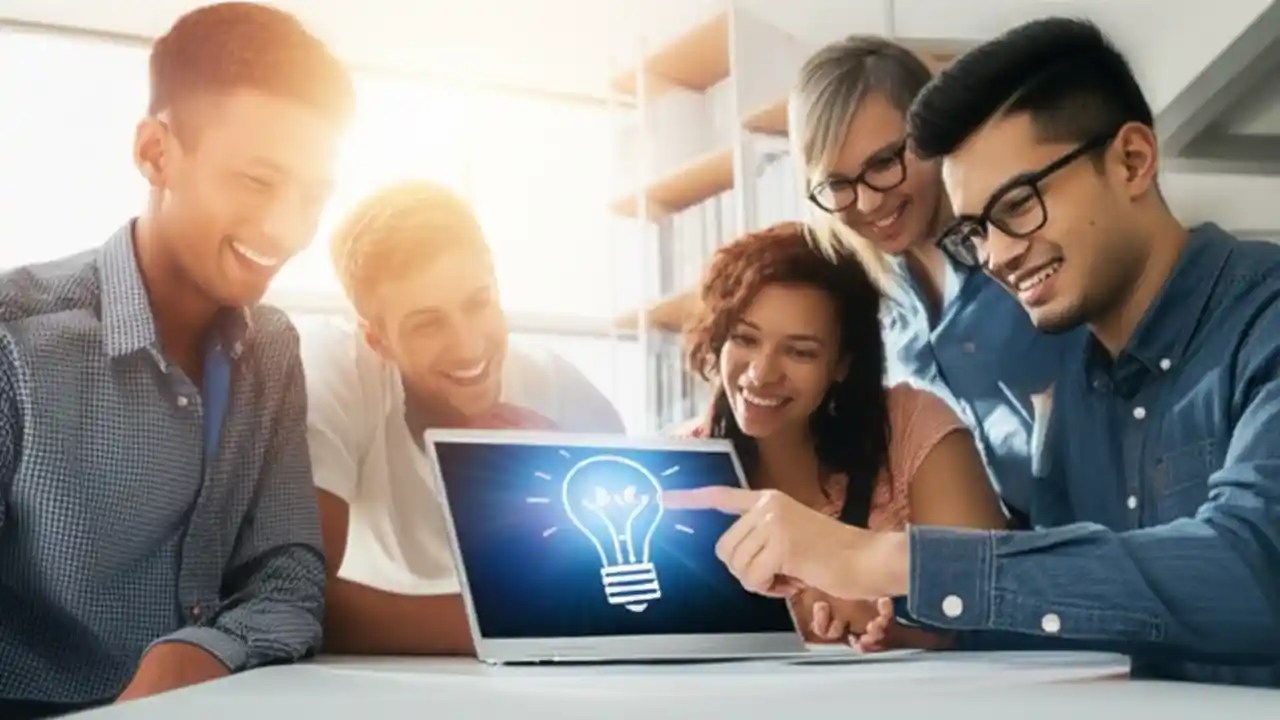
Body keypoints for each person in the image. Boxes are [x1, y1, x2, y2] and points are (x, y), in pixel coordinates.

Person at [668, 17, 1280, 686]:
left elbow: (1253, 569)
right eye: (974, 232)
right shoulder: (1076, 391)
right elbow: (1087, 608)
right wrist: (929, 624)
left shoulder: (1259, 320)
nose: (997, 256)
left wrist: (887, 561)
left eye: (1018, 205)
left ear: (1133, 160)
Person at [0, 3, 353, 716]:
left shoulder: (273, 348)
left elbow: (289, 581)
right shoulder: (18, 337)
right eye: (258, 181)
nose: (290, 227)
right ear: (156, 153)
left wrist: (199, 654)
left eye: (313, 195)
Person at [301, 180, 625, 655]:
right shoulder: (338, 370)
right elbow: (297, 595)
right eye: (428, 323)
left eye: (478, 303)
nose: (469, 345)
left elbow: (642, 591)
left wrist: (565, 477)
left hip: (528, 677)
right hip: (368, 683)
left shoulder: (558, 391)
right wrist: (521, 620)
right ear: (379, 341)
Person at [791, 36, 1087, 522]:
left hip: (1118, 551)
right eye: (838, 185)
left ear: (934, 136)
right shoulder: (878, 306)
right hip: (1004, 571)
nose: (867, 203)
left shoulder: (1026, 246)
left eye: (884, 163)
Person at [674, 222, 1005, 644]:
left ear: (843, 364)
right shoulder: (680, 460)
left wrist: (899, 631)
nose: (761, 374)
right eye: (745, 339)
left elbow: (999, 608)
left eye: (800, 351)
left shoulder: (912, 428)